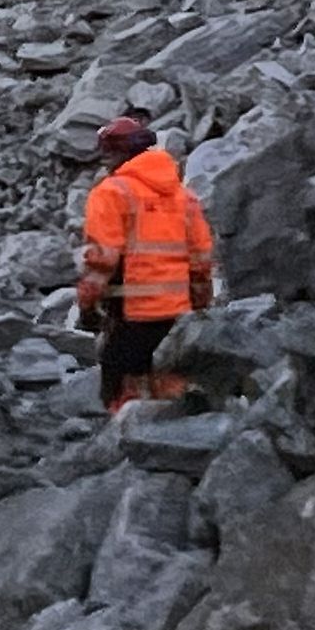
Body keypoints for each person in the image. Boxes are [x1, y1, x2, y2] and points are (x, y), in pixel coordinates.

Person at [76, 112, 213, 410]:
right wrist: (200, 304)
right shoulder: (184, 197)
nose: (104, 160)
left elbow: (101, 260)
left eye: (108, 153)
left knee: (120, 385)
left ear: (122, 154)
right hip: (177, 311)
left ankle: (123, 444)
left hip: (130, 313)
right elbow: (201, 260)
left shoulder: (111, 193)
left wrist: (87, 305)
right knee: (169, 381)